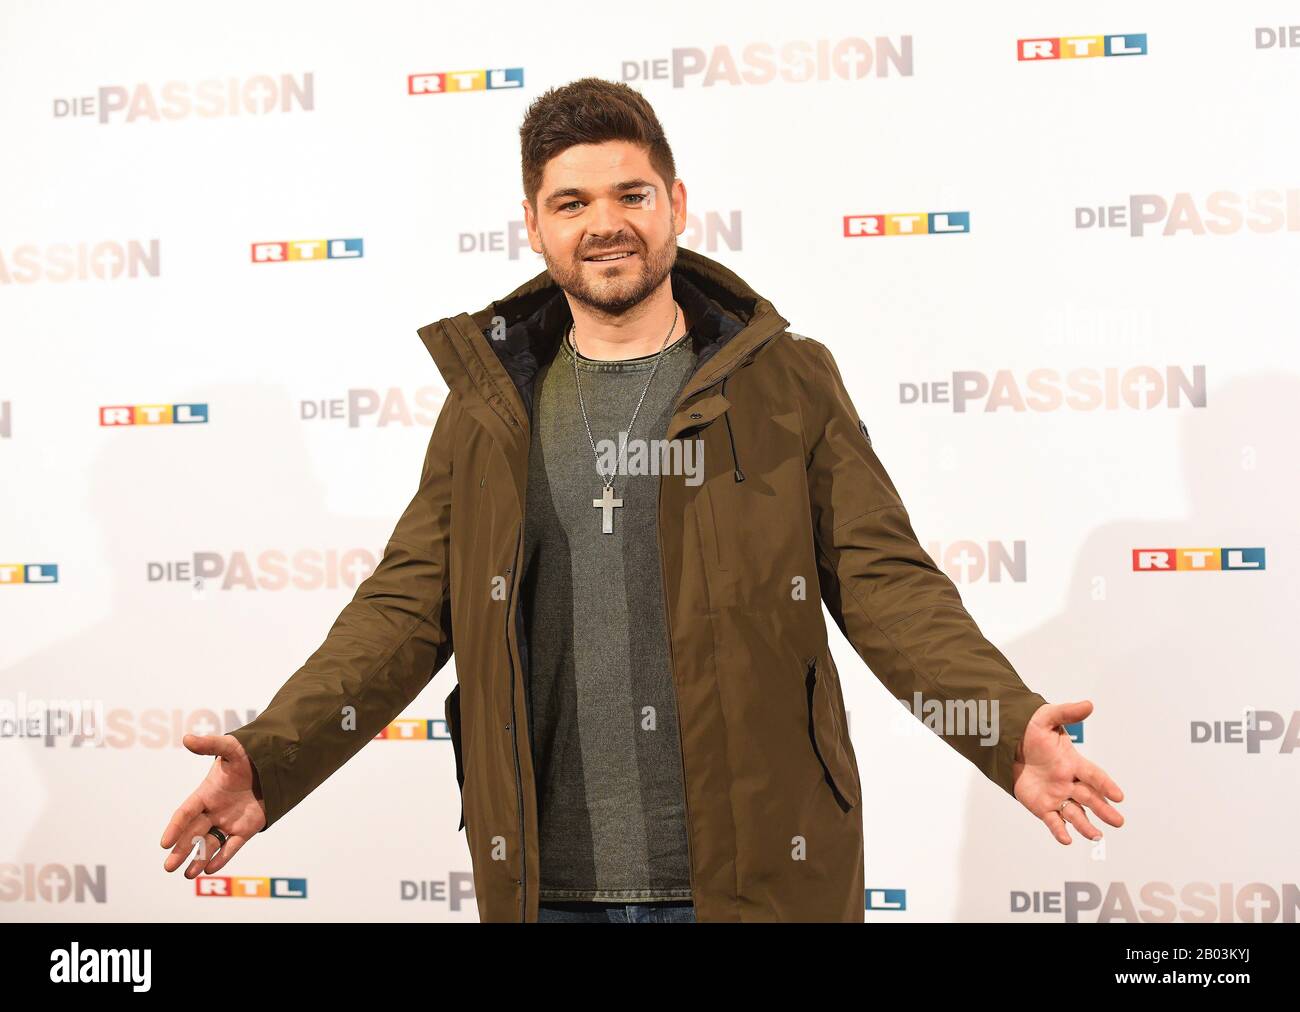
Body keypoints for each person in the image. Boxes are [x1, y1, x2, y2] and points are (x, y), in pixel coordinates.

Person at [160, 77, 1124, 923]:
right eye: (570, 202)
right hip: (544, 885)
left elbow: (886, 586)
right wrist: (273, 759)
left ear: (677, 205)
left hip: (751, 882)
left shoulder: (785, 382)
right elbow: (404, 611)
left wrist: (1001, 729)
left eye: (631, 193)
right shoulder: (488, 409)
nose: (604, 222)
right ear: (533, 227)